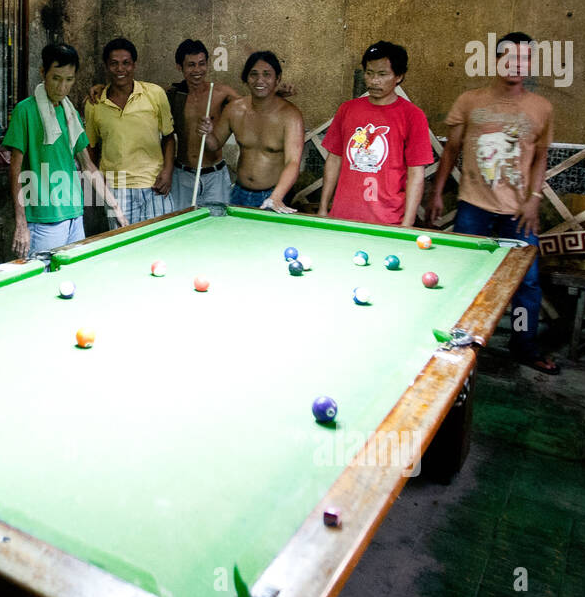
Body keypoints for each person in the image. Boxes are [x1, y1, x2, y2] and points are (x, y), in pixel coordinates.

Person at [429, 32, 558, 374]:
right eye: (509, 57)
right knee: (463, 277)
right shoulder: (470, 101)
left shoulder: (541, 108)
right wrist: (438, 192)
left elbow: (541, 157)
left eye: (524, 59)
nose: (517, 65)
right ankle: (456, 339)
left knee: (527, 283)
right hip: (473, 207)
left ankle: (523, 344)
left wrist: (534, 199)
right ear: (496, 60)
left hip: (518, 212)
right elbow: (451, 151)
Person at [3, 43, 124, 257]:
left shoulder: (71, 114)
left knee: (74, 273)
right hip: (43, 222)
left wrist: (115, 207)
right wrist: (21, 223)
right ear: (43, 73)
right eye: (56, 78)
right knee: (43, 276)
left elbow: (88, 166)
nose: (62, 87)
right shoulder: (25, 111)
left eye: (69, 80)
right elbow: (15, 170)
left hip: (75, 217)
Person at [319, 41, 433, 226]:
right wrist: (323, 208)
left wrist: (407, 224)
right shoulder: (347, 109)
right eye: (369, 73)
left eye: (382, 74)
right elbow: (334, 159)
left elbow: (416, 173)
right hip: (341, 216)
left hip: (387, 221)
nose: (374, 81)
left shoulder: (412, 115)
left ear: (399, 76)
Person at [83, 38, 176, 227]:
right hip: (116, 189)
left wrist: (167, 172)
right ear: (106, 66)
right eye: (114, 63)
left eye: (126, 63)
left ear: (134, 65)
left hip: (155, 184)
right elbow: (90, 147)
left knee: (162, 238)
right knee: (124, 241)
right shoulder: (94, 104)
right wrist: (99, 185)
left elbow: (168, 137)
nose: (120, 69)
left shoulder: (155, 94)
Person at [198, 51, 304, 212]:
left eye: (267, 74)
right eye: (254, 74)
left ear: (278, 79)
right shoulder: (234, 109)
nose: (260, 80)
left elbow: (293, 162)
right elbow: (214, 145)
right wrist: (207, 133)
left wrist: (276, 197)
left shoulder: (290, 115)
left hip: (273, 195)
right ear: (246, 79)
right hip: (239, 192)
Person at [166, 39, 240, 208]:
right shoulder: (174, 95)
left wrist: (275, 93)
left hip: (215, 176)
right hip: (182, 175)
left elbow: (250, 107)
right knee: (183, 222)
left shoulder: (221, 93)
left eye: (202, 64)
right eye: (191, 65)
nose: (197, 70)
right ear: (179, 67)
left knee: (217, 222)